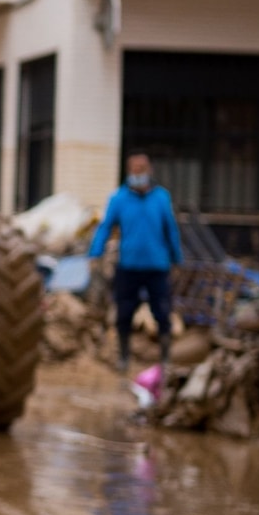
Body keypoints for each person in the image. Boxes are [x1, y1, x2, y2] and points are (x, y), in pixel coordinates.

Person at [89, 152, 183, 372]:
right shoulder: (119, 199)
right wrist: (95, 253)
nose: (138, 174)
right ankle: (124, 357)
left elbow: (171, 230)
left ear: (150, 170)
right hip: (128, 266)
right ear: (129, 172)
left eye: (142, 170)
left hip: (157, 266)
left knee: (162, 312)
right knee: (124, 313)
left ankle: (165, 359)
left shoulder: (161, 198)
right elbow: (105, 227)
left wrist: (177, 258)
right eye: (134, 170)